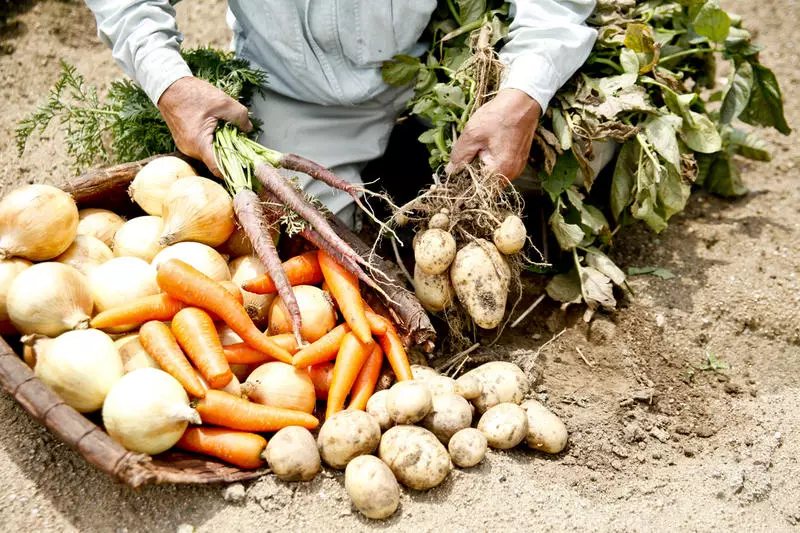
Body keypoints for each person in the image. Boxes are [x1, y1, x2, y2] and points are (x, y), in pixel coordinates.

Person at [85, 1, 596, 227]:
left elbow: (555, 6)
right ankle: (389, 181)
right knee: (300, 246)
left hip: (437, 71)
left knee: (582, 154)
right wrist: (169, 83)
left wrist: (524, 93)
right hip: (295, 92)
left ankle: (410, 168)